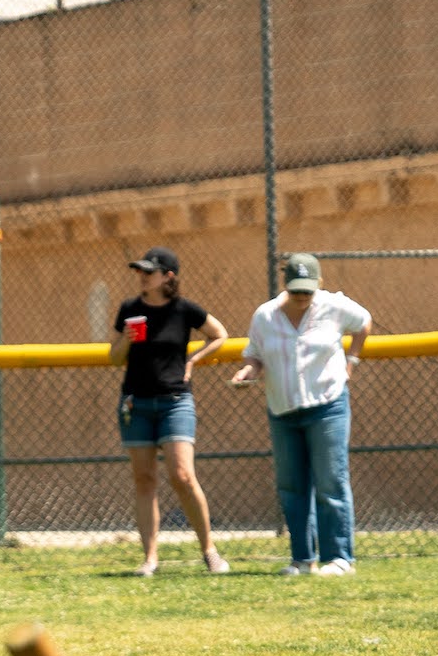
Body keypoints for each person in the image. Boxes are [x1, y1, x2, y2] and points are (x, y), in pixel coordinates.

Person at [230, 252, 372, 576]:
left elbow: (364, 323)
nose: (302, 297)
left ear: (319, 284)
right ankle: (302, 559)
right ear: (285, 286)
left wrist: (352, 361)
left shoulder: (334, 306)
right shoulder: (264, 316)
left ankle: (339, 558)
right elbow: (254, 355)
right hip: (282, 411)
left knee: (330, 482)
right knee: (292, 486)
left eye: (307, 290)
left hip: (328, 405)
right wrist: (247, 372)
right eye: (296, 290)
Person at [109, 246, 230, 576]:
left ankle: (210, 552)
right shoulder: (130, 309)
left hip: (175, 401)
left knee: (182, 475)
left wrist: (193, 360)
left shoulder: (184, 310)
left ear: (168, 277)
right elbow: (115, 358)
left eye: (149, 272)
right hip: (136, 403)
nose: (142, 277)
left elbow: (219, 335)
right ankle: (150, 559)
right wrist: (128, 340)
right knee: (144, 479)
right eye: (139, 271)